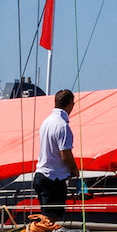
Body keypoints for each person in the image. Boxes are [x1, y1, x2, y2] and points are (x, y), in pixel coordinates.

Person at [35, 90, 78, 220]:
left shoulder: (46, 122)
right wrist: (74, 168)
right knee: (51, 220)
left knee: (45, 218)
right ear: (70, 104)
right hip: (53, 179)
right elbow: (65, 154)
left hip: (42, 174)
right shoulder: (62, 126)